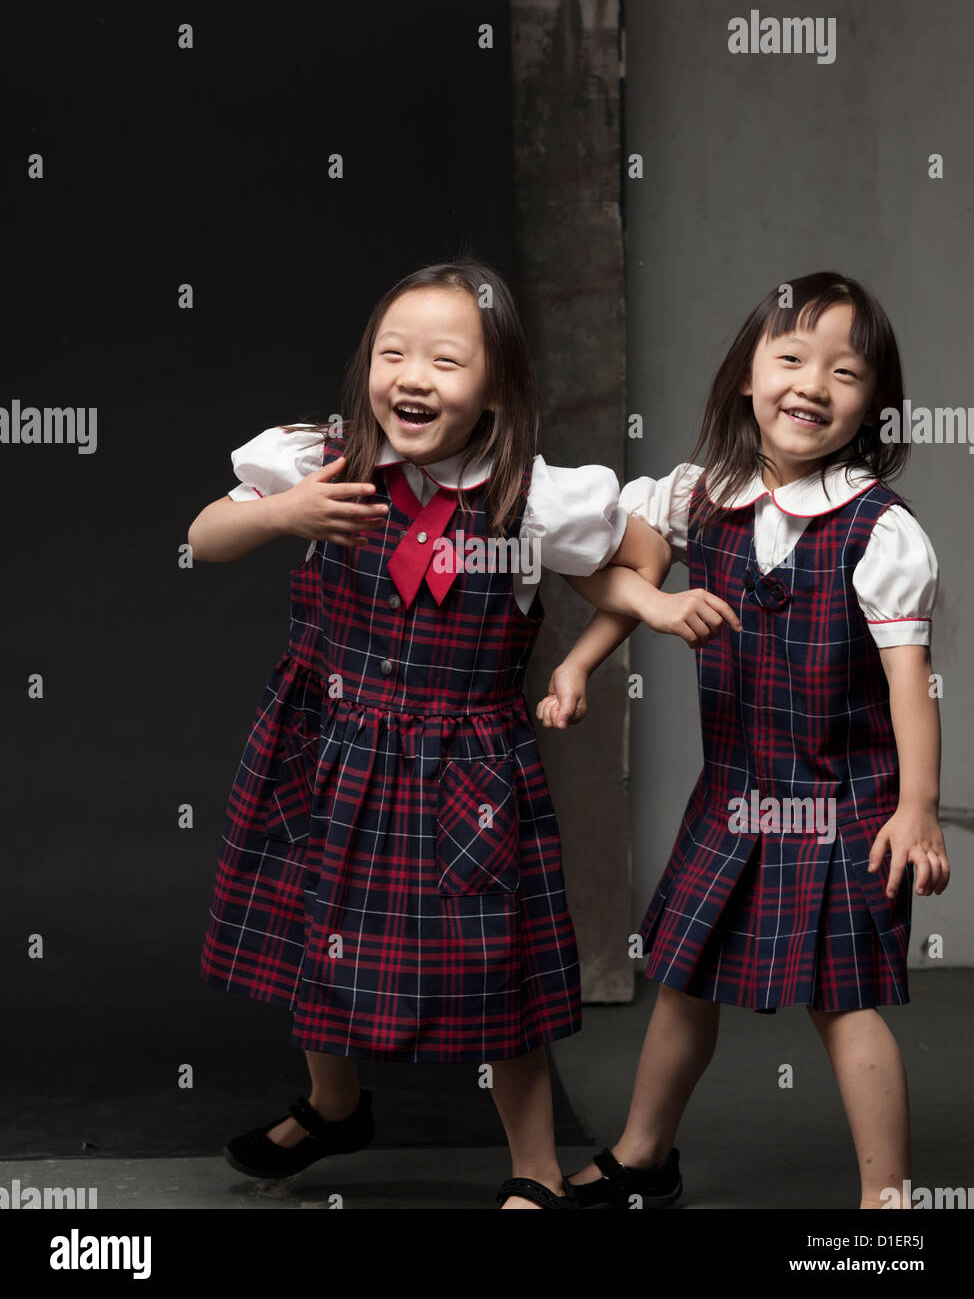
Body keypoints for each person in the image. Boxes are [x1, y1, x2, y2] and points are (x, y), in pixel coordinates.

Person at [189, 257, 666, 1209]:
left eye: (447, 360)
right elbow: (203, 537)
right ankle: (335, 1105)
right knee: (312, 932)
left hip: (463, 771)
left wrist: (639, 612)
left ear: (497, 384)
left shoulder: (530, 499)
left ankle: (535, 1168)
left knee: (495, 973)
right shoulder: (317, 461)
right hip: (327, 745)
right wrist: (283, 514)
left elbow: (623, 559)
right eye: (393, 352)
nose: (413, 376)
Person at [537, 272, 949, 1211]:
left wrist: (918, 807)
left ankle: (888, 1208)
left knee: (844, 1002)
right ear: (746, 376)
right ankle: (645, 1156)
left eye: (846, 371)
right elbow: (632, 580)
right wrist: (579, 665)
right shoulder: (695, 495)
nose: (814, 383)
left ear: (875, 403)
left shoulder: (878, 532)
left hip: (849, 806)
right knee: (683, 978)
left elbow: (910, 684)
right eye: (792, 357)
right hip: (734, 798)